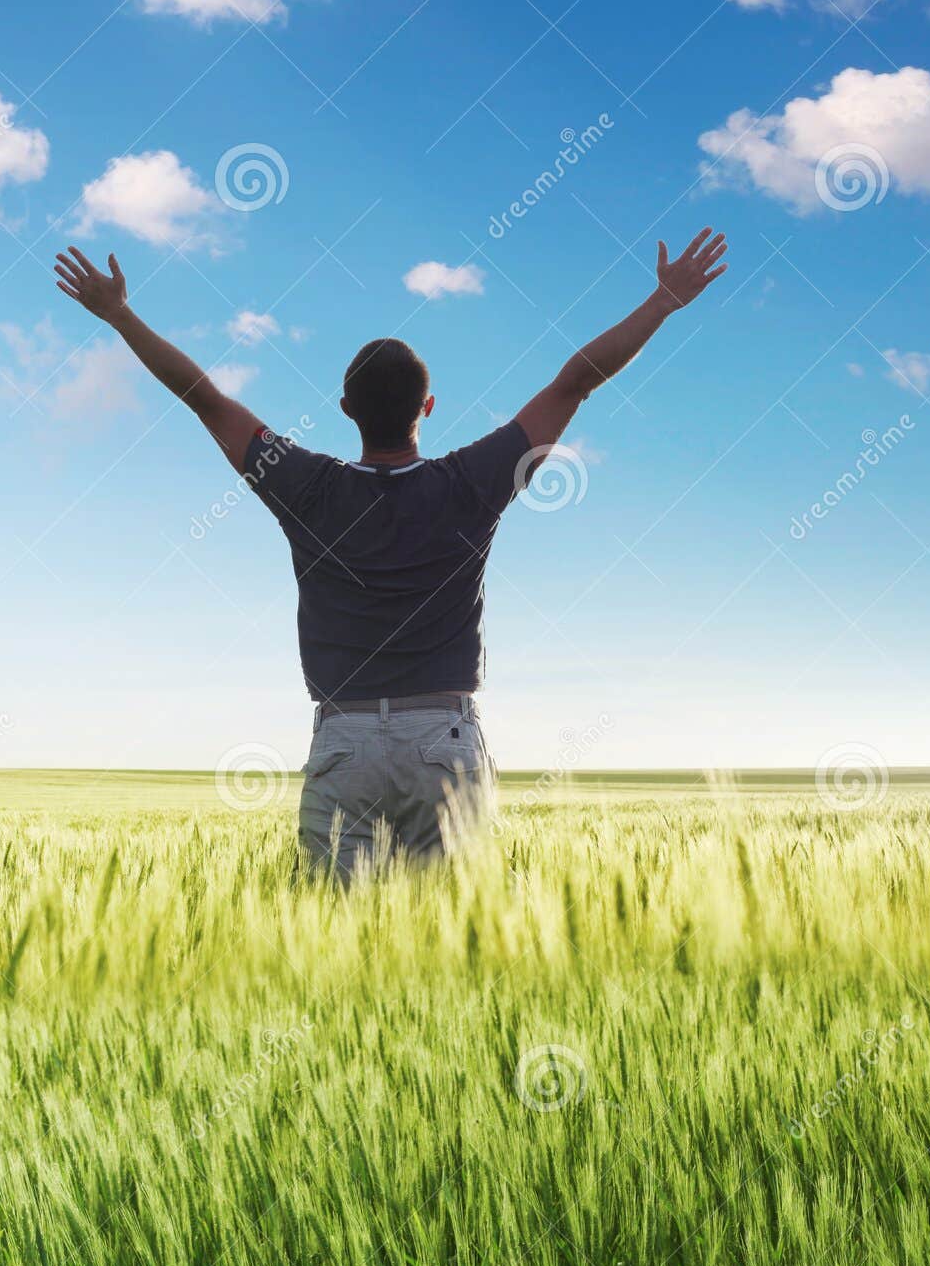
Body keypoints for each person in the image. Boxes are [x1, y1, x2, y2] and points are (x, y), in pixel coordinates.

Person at [53, 227, 728, 876]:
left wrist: (120, 316)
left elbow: (204, 400)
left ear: (347, 408)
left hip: (343, 741)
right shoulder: (471, 483)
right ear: (427, 407)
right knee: (450, 938)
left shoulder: (306, 487)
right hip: (444, 738)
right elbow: (573, 384)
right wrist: (663, 300)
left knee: (336, 940)